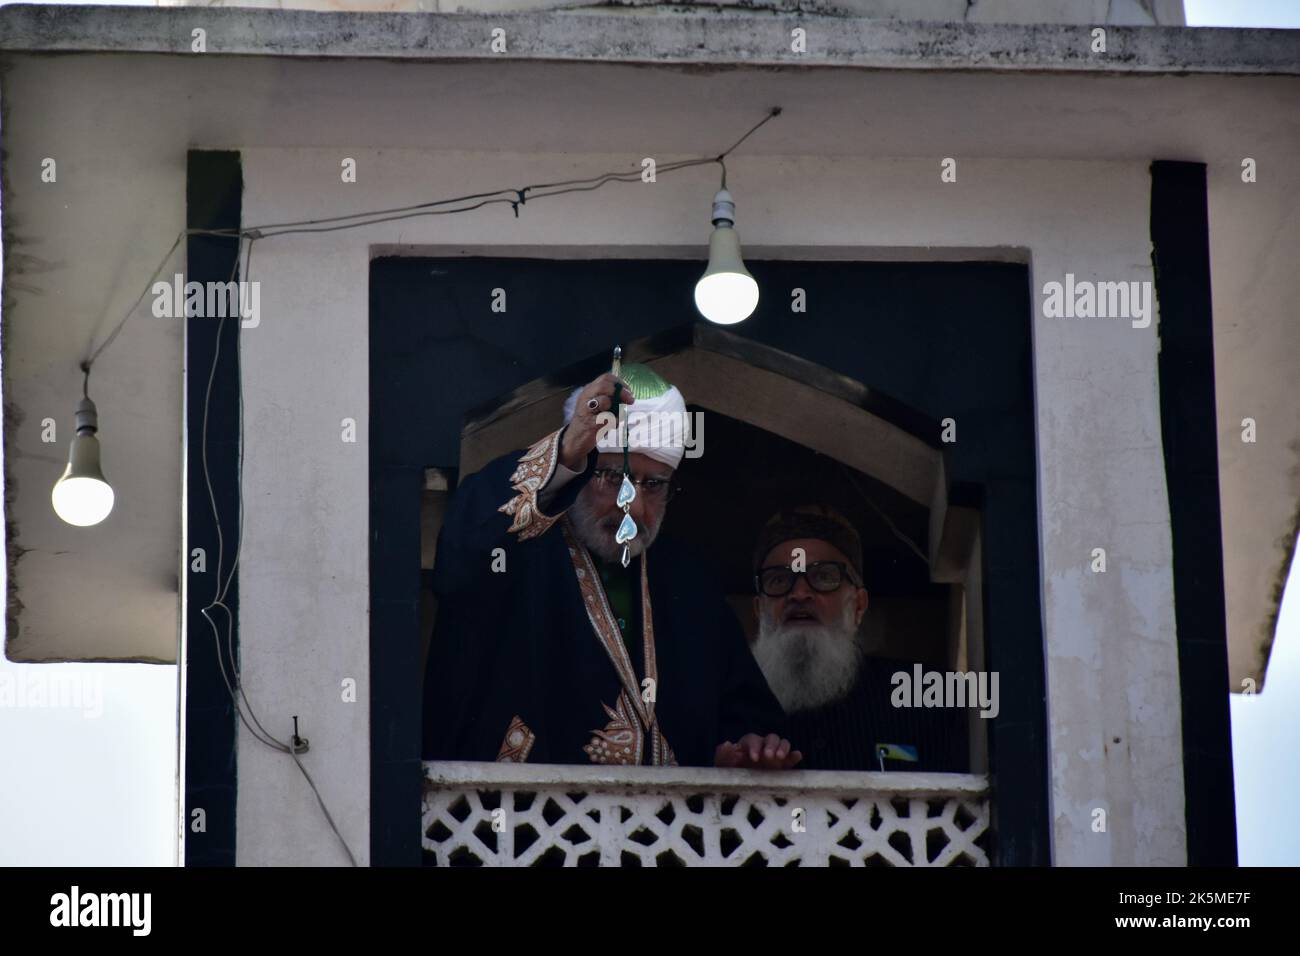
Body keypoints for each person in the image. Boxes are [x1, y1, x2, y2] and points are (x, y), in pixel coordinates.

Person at [422, 363, 799, 770]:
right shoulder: (520, 548)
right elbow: (461, 560)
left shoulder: (689, 581)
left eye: (654, 485)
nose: (632, 505)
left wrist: (743, 748)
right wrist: (566, 448)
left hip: (668, 828)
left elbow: (741, 718)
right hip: (521, 824)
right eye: (611, 476)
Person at [750, 505, 968, 773]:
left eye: (823, 576)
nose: (799, 593)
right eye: (779, 580)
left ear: (859, 606)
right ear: (759, 610)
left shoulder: (928, 694)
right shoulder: (729, 709)